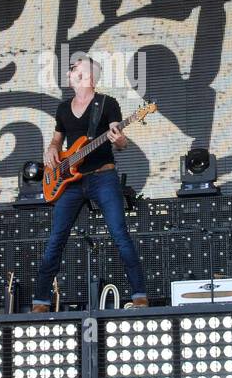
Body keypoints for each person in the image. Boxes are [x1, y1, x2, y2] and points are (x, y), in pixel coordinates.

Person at [34, 55, 148, 312]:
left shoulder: (107, 104)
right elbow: (56, 141)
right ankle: (40, 301)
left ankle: (139, 295)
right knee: (56, 239)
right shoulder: (63, 109)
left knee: (119, 233)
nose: (70, 70)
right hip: (70, 181)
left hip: (102, 176)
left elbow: (122, 143)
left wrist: (118, 139)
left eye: (75, 67)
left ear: (88, 75)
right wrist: (51, 149)